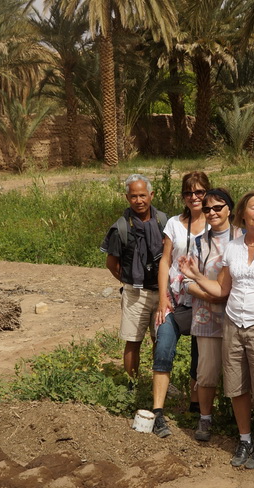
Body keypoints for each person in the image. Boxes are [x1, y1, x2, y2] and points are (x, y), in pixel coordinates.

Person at [181, 191, 254, 469]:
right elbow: (223, 289)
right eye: (253, 208)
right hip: (233, 323)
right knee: (236, 386)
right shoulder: (233, 247)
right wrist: (197, 276)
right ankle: (245, 438)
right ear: (243, 213)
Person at [149, 172, 209, 438]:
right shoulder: (174, 223)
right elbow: (165, 261)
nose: (194, 198)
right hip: (175, 299)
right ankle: (158, 412)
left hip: (204, 300)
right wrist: (163, 298)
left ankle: (196, 408)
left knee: (201, 357)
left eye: (199, 192)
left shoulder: (218, 223)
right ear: (183, 196)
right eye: (189, 193)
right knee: (163, 349)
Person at [183, 189, 240, 442]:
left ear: (230, 209)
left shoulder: (244, 238)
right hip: (207, 317)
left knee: (241, 371)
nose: (212, 213)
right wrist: (213, 295)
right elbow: (186, 281)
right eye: (207, 209)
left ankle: (241, 423)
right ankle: (205, 418)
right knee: (206, 372)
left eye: (218, 207)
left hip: (238, 315)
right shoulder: (198, 242)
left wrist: (222, 294)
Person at [100, 174, 167, 383]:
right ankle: (132, 384)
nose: (139, 201)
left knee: (161, 340)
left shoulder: (163, 221)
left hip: (162, 292)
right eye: (134, 196)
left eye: (143, 195)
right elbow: (112, 264)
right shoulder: (121, 227)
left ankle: (161, 383)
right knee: (133, 341)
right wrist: (131, 281)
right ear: (127, 198)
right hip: (135, 294)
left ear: (151, 195)